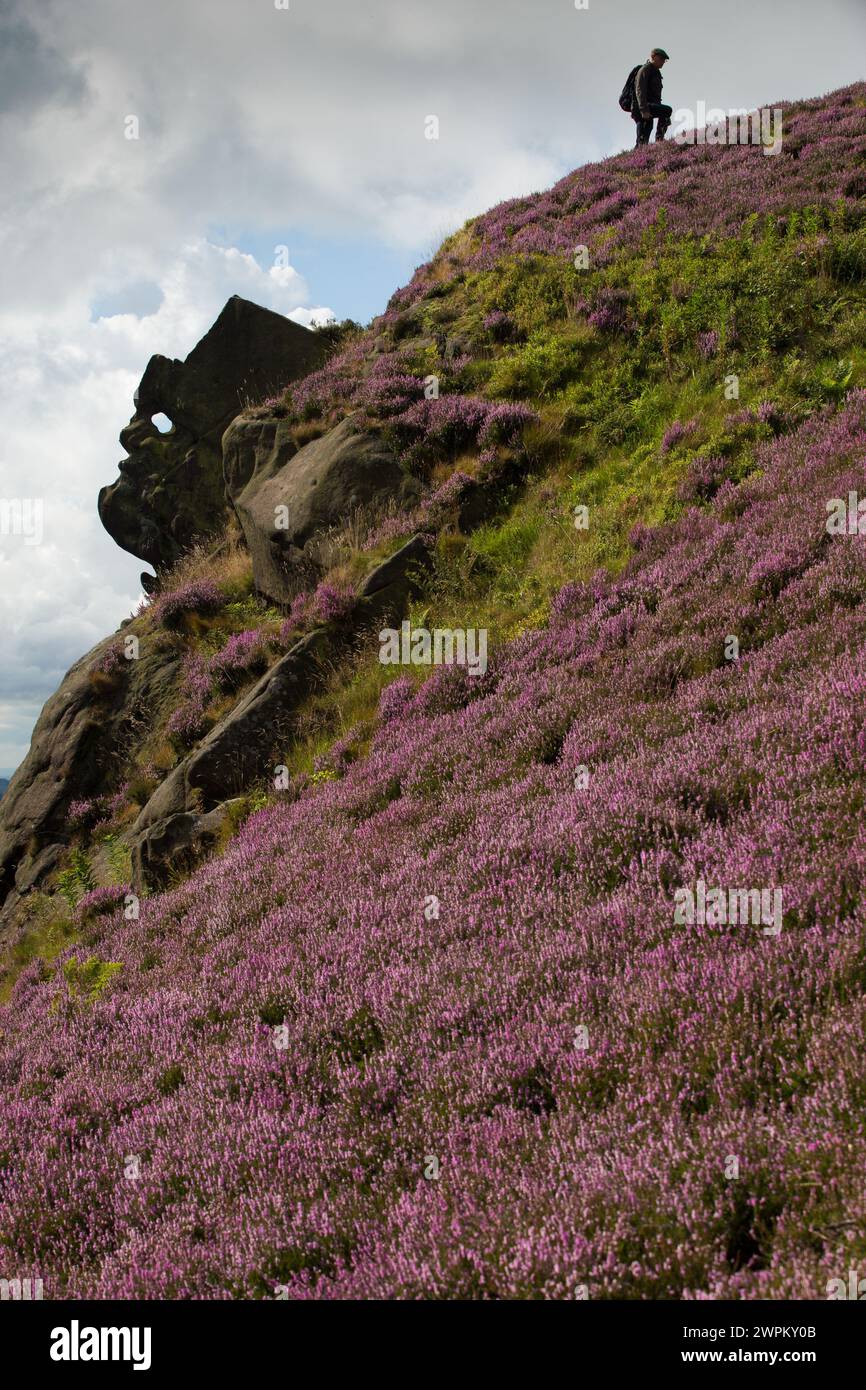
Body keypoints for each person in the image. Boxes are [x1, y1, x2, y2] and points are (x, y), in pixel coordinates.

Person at [633, 48, 672, 146]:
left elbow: (655, 96)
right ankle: (659, 140)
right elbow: (639, 90)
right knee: (667, 110)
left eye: (664, 60)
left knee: (645, 135)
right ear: (654, 57)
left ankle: (646, 150)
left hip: (649, 107)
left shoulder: (656, 72)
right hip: (642, 107)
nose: (663, 62)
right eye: (661, 59)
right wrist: (643, 110)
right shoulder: (645, 69)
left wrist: (664, 116)